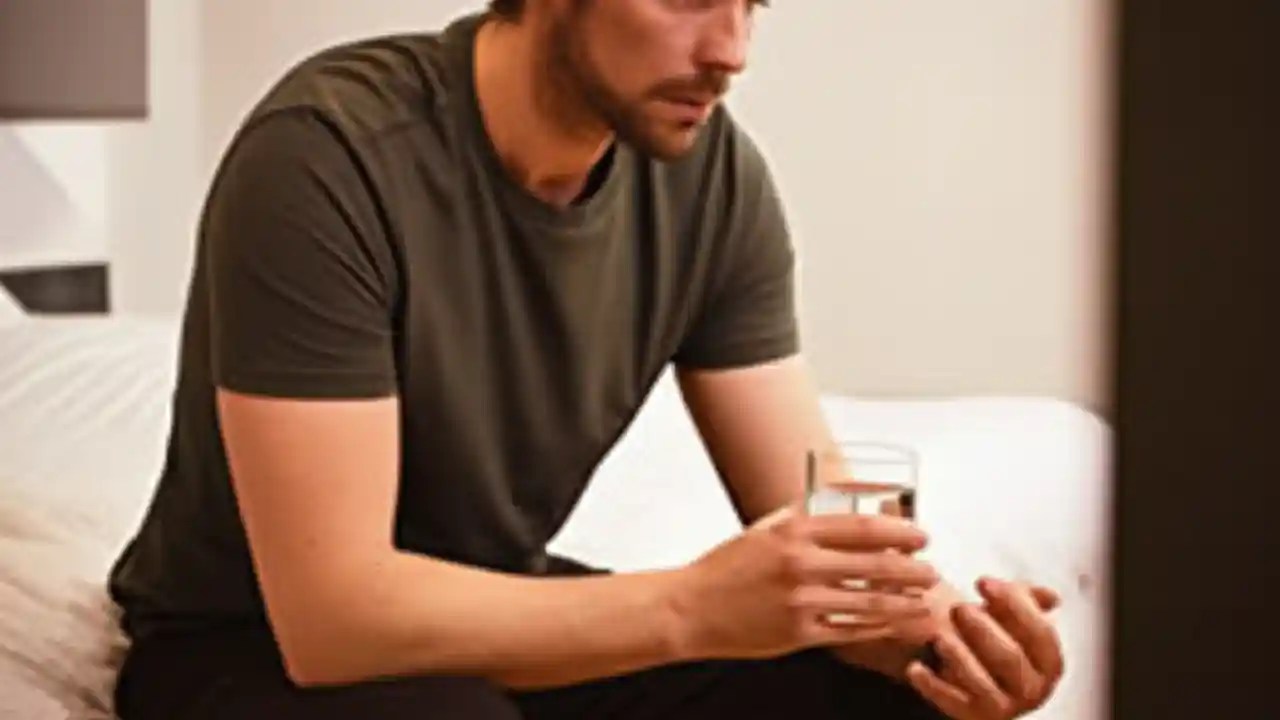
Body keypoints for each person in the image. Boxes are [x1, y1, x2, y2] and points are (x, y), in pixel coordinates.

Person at [107, 1, 1065, 718]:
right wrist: (693, 605)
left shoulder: (715, 181)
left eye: (753, 3)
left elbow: (824, 519)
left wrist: (942, 638)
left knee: (888, 708)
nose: (730, 51)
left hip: (507, 617)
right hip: (247, 647)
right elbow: (336, 620)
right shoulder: (327, 154)